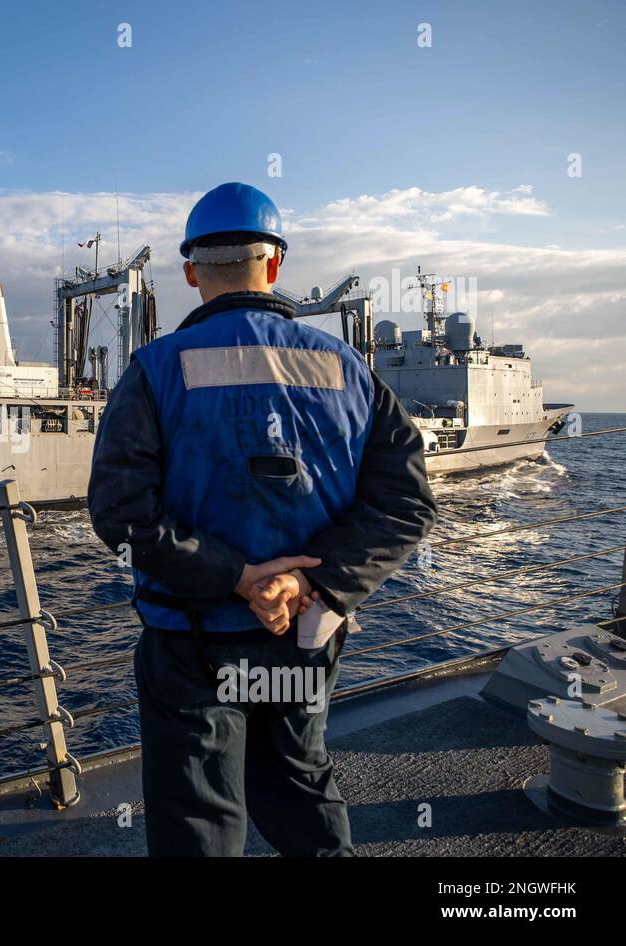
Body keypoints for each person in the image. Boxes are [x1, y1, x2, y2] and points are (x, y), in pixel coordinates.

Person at [88, 183, 436, 856]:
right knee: (301, 785)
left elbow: (120, 513)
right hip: (303, 632)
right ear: (273, 265)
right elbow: (408, 502)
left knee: (198, 813)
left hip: (189, 639)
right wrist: (314, 584)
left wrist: (237, 576)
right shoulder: (348, 368)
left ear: (191, 272)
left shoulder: (155, 369)